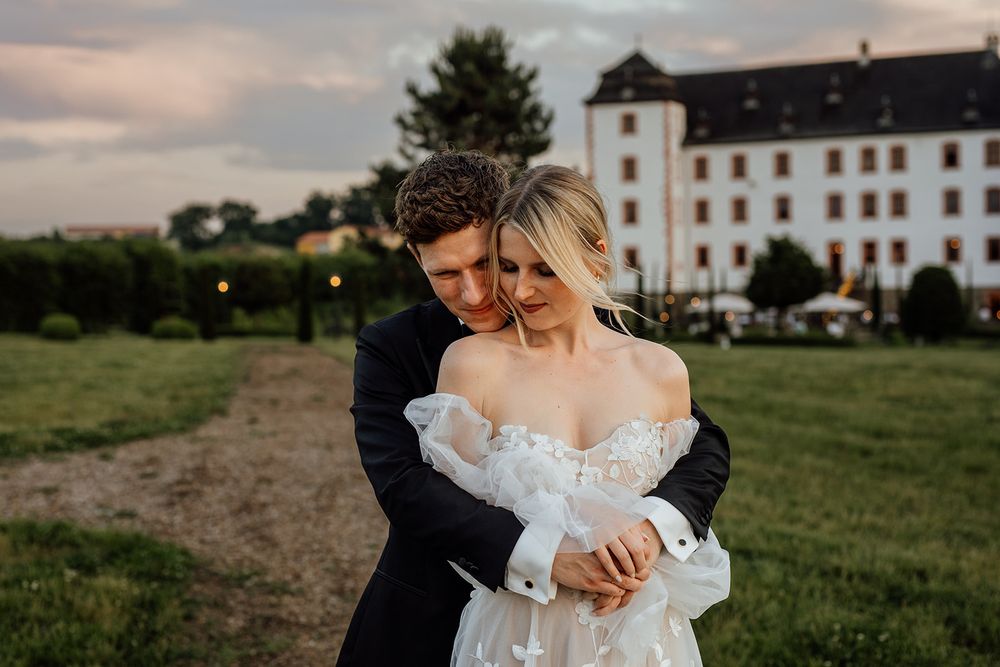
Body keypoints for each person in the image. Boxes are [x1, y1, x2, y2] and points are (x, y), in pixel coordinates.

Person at [337, 152, 730, 665]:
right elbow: (403, 483)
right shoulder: (394, 346)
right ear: (417, 260)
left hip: (616, 626)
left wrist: (652, 530)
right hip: (434, 613)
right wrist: (549, 557)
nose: (476, 293)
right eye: (446, 274)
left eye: (485, 264)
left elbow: (703, 444)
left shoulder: (617, 350)